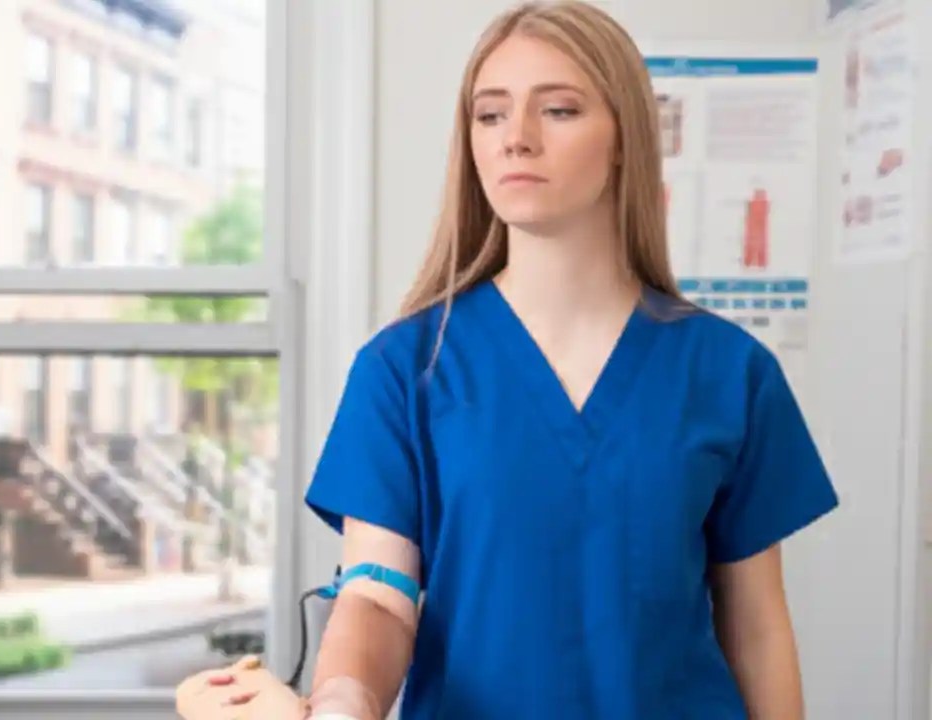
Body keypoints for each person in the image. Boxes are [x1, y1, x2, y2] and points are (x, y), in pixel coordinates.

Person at [176, 1, 839, 717]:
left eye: (558, 110)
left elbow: (757, 627)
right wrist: (340, 703)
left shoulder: (730, 372)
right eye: (490, 115)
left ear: (625, 138)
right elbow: (376, 594)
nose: (516, 138)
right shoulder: (405, 369)